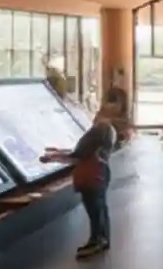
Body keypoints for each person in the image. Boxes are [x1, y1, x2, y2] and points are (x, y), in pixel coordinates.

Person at [40, 98, 121, 260]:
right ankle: (103, 239)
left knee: (94, 209)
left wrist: (54, 157)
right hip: (101, 172)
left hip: (91, 174)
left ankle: (96, 240)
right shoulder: (110, 130)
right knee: (100, 208)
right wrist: (59, 151)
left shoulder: (99, 129)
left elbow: (79, 153)